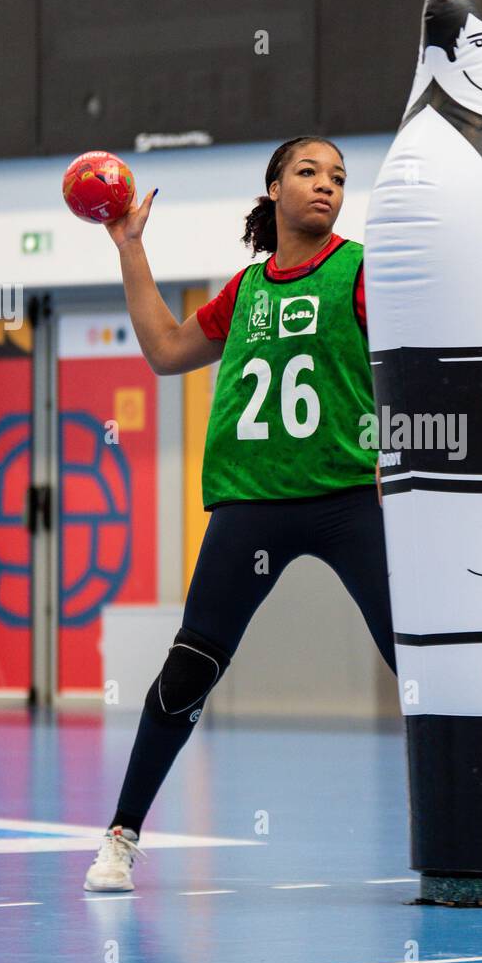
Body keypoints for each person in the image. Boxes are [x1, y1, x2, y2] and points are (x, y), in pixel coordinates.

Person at [84, 136, 395, 890]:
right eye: (309, 172)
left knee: (420, 663)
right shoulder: (245, 290)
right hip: (250, 502)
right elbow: (162, 350)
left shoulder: (359, 272)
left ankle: (476, 822)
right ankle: (121, 838)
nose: (327, 185)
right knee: (188, 670)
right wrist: (129, 247)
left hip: (344, 496)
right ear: (273, 186)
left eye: (339, 178)